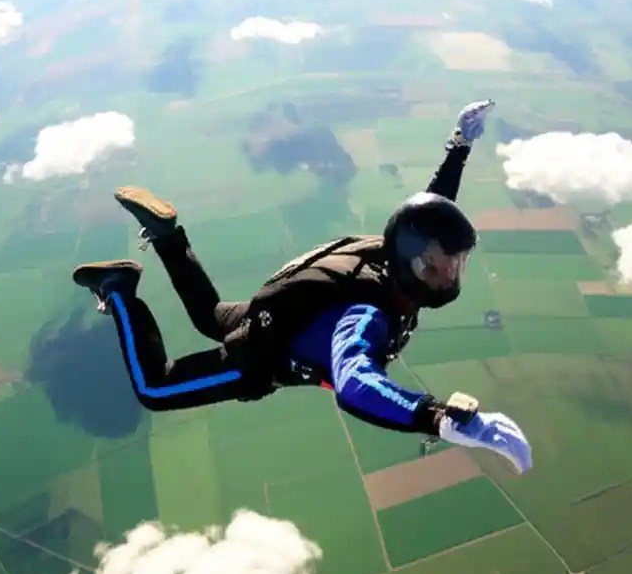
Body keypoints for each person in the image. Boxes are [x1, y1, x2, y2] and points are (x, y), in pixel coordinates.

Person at [72, 100, 532, 474]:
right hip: (260, 358)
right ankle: (118, 289)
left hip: (271, 316)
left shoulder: (386, 253)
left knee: (208, 315)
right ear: (413, 262)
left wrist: (458, 147)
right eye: (440, 266)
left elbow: (430, 212)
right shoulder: (370, 314)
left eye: (455, 264)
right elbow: (355, 383)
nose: (450, 274)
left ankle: (169, 236)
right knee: (156, 388)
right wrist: (437, 417)